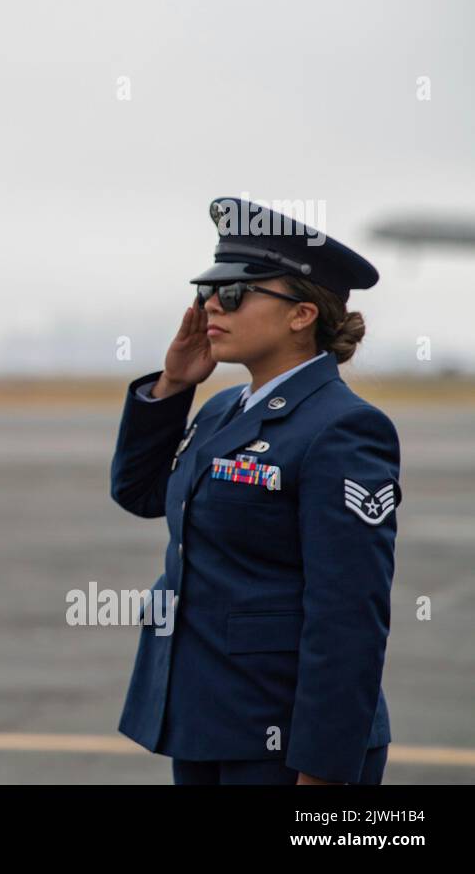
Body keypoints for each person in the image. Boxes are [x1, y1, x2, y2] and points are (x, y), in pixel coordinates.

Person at [111, 196, 400, 785]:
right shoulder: (222, 410)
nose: (212, 305)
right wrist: (173, 385)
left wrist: (321, 771)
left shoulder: (343, 428)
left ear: (301, 315)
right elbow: (140, 493)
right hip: (203, 723)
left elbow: (348, 616)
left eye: (236, 294)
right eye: (206, 292)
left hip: (284, 743)